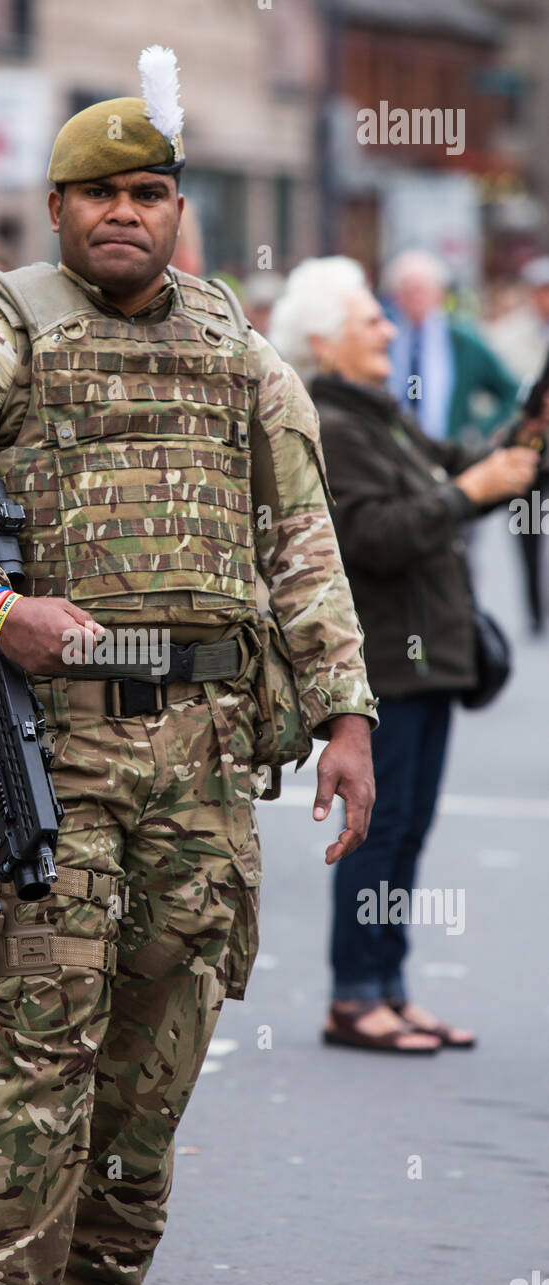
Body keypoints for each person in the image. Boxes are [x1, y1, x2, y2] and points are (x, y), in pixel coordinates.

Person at [0, 49, 377, 1285]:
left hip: (201, 760)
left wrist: (346, 711)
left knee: (153, 1081)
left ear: (177, 208)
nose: (124, 213)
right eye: (99, 194)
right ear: (55, 210)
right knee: (40, 1064)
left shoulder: (237, 353)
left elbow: (300, 537)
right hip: (57, 747)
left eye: (147, 191)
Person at [270, 257, 540, 1053]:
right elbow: (373, 536)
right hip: (386, 662)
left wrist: (522, 442)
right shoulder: (331, 424)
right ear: (326, 341)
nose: (391, 327)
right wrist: (475, 490)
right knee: (379, 832)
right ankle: (355, 996)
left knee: (409, 828)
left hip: (427, 662)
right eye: (371, 320)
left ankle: (388, 985)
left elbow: (457, 468)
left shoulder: (377, 412)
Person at [384, 249, 519, 446]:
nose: (415, 298)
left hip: (446, 450)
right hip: (397, 449)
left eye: (421, 290)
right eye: (407, 291)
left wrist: (479, 432)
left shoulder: (461, 339)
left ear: (439, 293)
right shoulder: (387, 337)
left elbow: (511, 392)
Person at [485, 255, 549, 631]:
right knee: (527, 530)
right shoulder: (506, 336)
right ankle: (535, 609)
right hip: (527, 450)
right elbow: (494, 394)